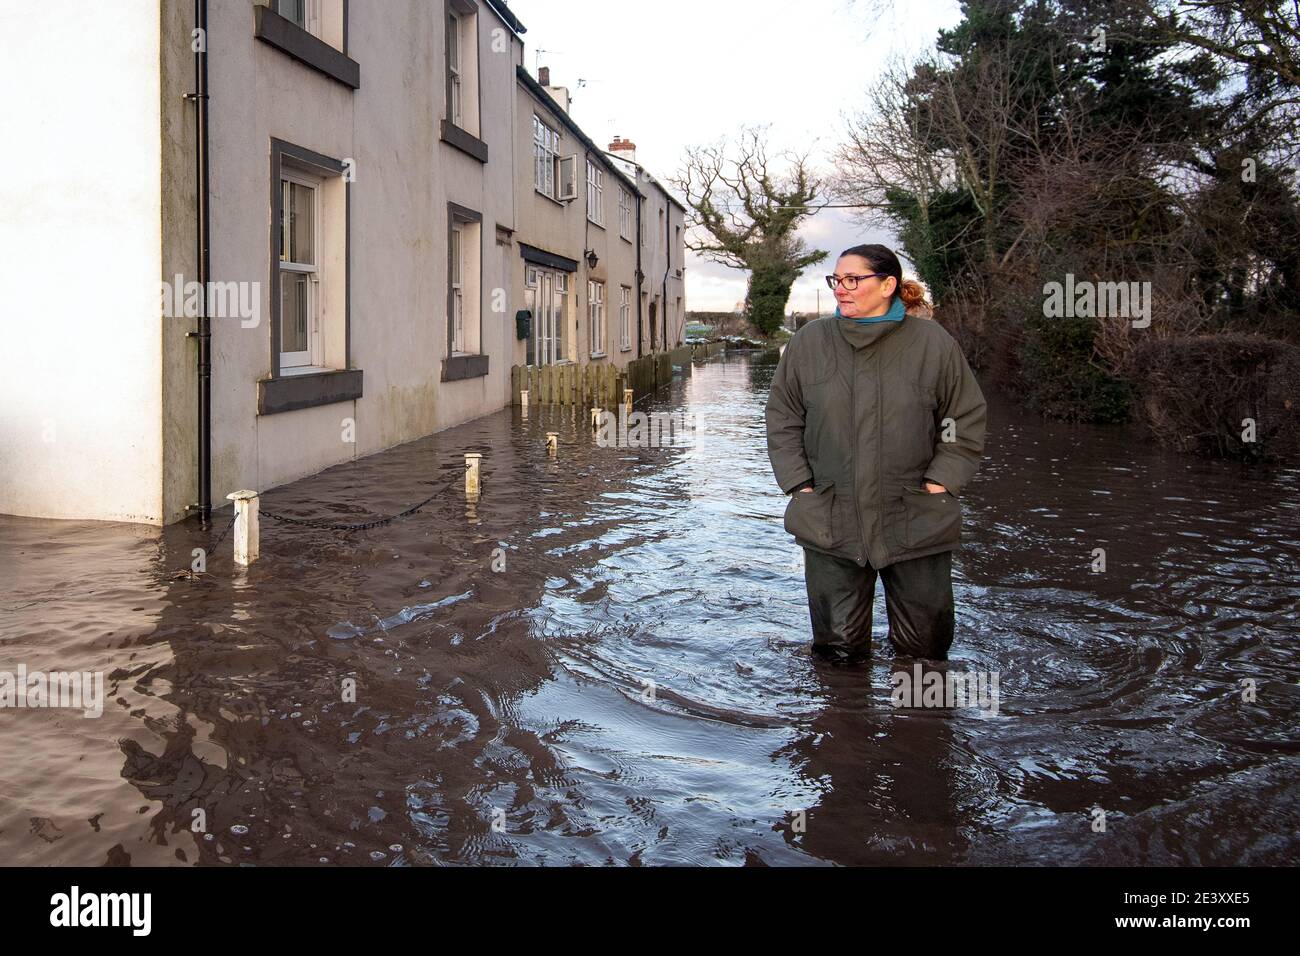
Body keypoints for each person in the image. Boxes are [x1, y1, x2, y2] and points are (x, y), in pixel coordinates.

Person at [765, 244, 987, 663]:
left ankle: (923, 728)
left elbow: (965, 417)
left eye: (853, 279)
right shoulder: (809, 342)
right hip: (830, 516)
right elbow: (782, 417)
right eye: (836, 280)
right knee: (837, 654)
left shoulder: (933, 344)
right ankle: (843, 723)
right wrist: (800, 484)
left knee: (925, 651)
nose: (841, 289)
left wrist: (940, 482)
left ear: (888, 285)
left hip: (916, 516)